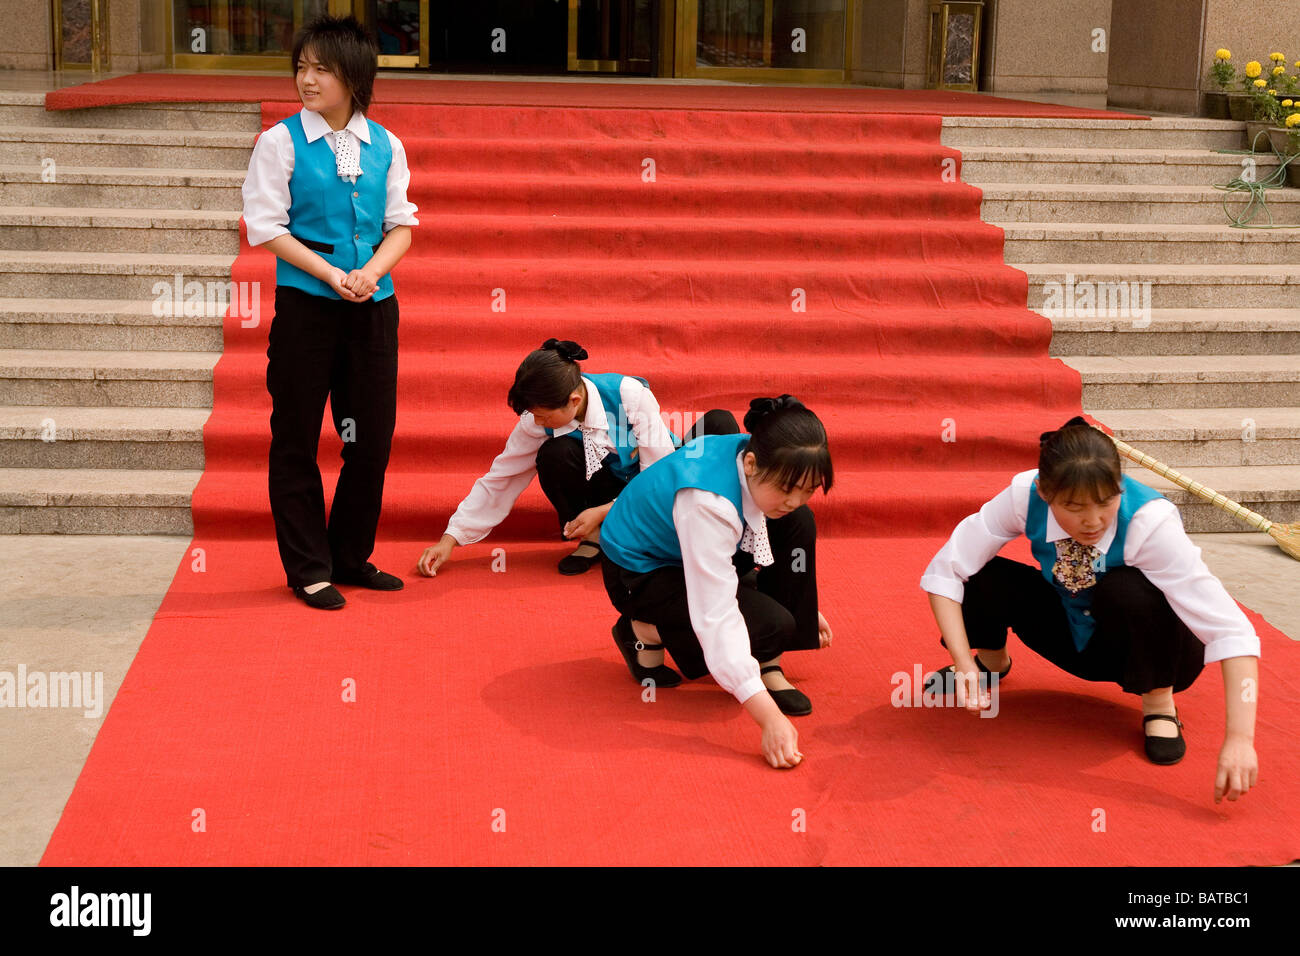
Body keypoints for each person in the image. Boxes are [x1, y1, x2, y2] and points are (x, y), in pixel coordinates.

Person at [920, 416, 1259, 801]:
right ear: (1044, 492)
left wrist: (1240, 740)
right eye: (1075, 507)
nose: (1093, 520)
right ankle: (991, 664)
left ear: (1119, 486)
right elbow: (946, 569)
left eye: (1105, 502)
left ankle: (1159, 704)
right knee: (982, 571)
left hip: (1145, 647)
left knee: (1126, 588)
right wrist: (963, 664)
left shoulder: (1150, 522)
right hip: (1068, 628)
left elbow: (1233, 632)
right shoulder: (1022, 495)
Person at [242, 15, 419, 611]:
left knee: (371, 439)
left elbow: (402, 226)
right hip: (307, 309)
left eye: (321, 68)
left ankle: (350, 555)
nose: (307, 79)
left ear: (354, 77)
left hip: (373, 309)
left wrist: (371, 272)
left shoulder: (386, 144)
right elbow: (265, 228)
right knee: (295, 437)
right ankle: (308, 567)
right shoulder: (279, 141)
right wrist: (332, 273)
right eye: (301, 67)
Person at [598, 396, 835, 770]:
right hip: (640, 572)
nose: (795, 498)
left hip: (687, 549)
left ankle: (767, 662)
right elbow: (717, 614)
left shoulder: (752, 451)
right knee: (773, 624)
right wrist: (769, 719)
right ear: (753, 464)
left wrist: (803, 600)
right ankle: (643, 628)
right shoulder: (707, 503)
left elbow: (771, 521)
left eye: (807, 488)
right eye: (787, 488)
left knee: (798, 521)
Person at [417, 339, 680, 577]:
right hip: (605, 486)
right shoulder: (536, 420)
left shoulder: (629, 395)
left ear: (574, 400)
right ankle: (592, 538)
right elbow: (502, 478)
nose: (537, 421)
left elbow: (658, 477)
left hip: (649, 490)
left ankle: (630, 536)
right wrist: (449, 540)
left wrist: (601, 512)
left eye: (544, 415)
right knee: (555, 454)